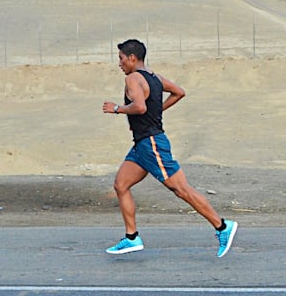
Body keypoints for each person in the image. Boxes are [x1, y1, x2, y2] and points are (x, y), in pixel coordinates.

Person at [102, 39, 237, 257]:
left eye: (121, 59)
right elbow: (179, 92)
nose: (119, 63)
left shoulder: (133, 78)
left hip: (151, 143)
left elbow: (139, 106)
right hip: (142, 145)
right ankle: (131, 238)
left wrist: (117, 109)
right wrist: (157, 112)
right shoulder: (154, 77)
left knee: (181, 189)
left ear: (132, 58)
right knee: (121, 185)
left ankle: (222, 226)